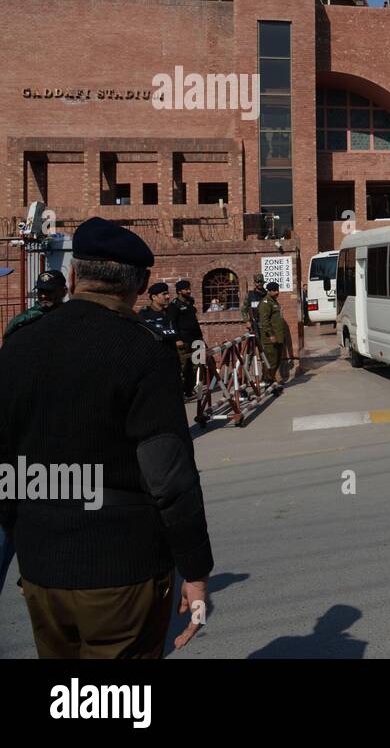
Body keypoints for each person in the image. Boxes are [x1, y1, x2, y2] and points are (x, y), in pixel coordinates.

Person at [0, 217, 213, 657]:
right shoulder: (143, 350)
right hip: (121, 570)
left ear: (75, 275)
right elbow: (169, 478)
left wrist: (26, 545)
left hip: (42, 568)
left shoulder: (20, 345)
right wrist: (195, 571)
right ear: (140, 284)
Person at [3, 269, 67, 339]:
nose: (43, 296)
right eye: (41, 291)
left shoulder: (70, 314)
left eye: (49, 291)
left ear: (64, 292)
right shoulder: (25, 319)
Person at [167, 280, 203, 400]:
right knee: (183, 366)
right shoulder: (174, 305)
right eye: (186, 289)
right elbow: (172, 323)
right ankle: (180, 392)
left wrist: (200, 337)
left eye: (189, 288)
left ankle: (189, 389)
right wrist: (177, 339)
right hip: (183, 339)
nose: (189, 290)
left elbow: (194, 322)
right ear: (179, 291)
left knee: (196, 364)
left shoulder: (190, 302)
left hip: (195, 338)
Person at [257, 281, 291, 392]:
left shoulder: (274, 301)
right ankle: (269, 383)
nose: (277, 292)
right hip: (270, 339)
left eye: (277, 290)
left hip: (278, 337)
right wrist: (271, 335)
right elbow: (265, 321)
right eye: (275, 290)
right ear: (269, 291)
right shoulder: (266, 303)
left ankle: (271, 382)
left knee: (276, 361)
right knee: (271, 361)